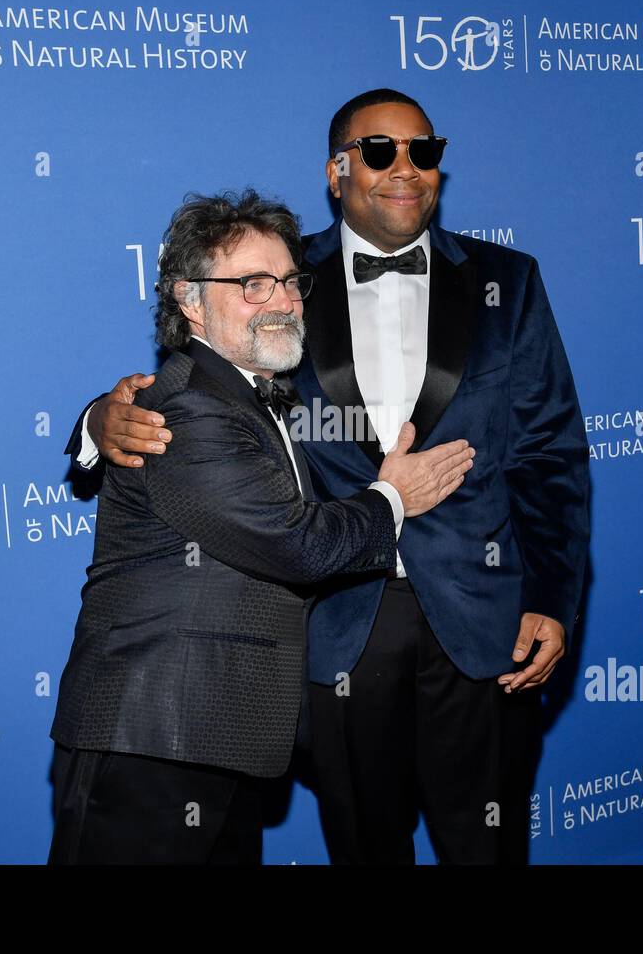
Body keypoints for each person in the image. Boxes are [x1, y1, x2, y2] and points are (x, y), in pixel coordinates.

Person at [68, 89, 591, 864]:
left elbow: (550, 452)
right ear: (337, 170)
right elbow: (199, 388)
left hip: (481, 624)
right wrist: (99, 422)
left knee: (489, 847)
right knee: (364, 849)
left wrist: (550, 596)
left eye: (425, 150)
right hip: (334, 628)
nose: (404, 169)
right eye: (379, 151)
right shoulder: (276, 282)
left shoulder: (505, 282)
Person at [48, 188, 474, 864]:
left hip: (222, 736)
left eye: (288, 281)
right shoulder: (187, 412)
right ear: (191, 301)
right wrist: (394, 496)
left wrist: (100, 411)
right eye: (250, 283)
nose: (280, 300)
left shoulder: (259, 387)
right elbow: (297, 544)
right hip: (154, 740)